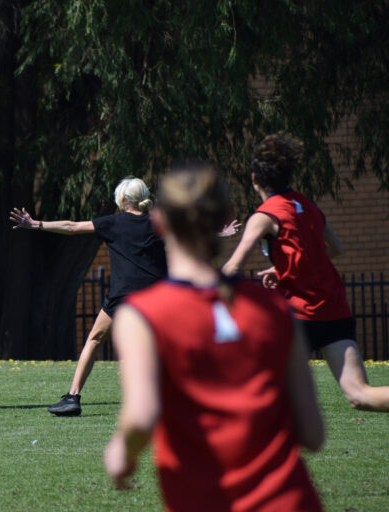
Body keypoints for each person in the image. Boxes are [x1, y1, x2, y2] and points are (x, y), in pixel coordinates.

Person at [105, 163, 324, 511]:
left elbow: (141, 416)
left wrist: (121, 455)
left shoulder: (142, 315)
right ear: (227, 216)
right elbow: (312, 434)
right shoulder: (276, 310)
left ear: (159, 223)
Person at [10, 178, 239, 416]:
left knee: (95, 339)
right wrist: (220, 234)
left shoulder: (113, 223)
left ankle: (73, 397)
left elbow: (71, 227)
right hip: (157, 295)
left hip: (123, 295)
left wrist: (36, 224)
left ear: (121, 200)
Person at [223, 132, 389, 412]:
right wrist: (284, 267)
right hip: (334, 311)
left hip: (297, 317)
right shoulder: (308, 206)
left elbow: (234, 266)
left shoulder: (264, 215)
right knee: (360, 394)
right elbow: (335, 248)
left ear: (254, 179)